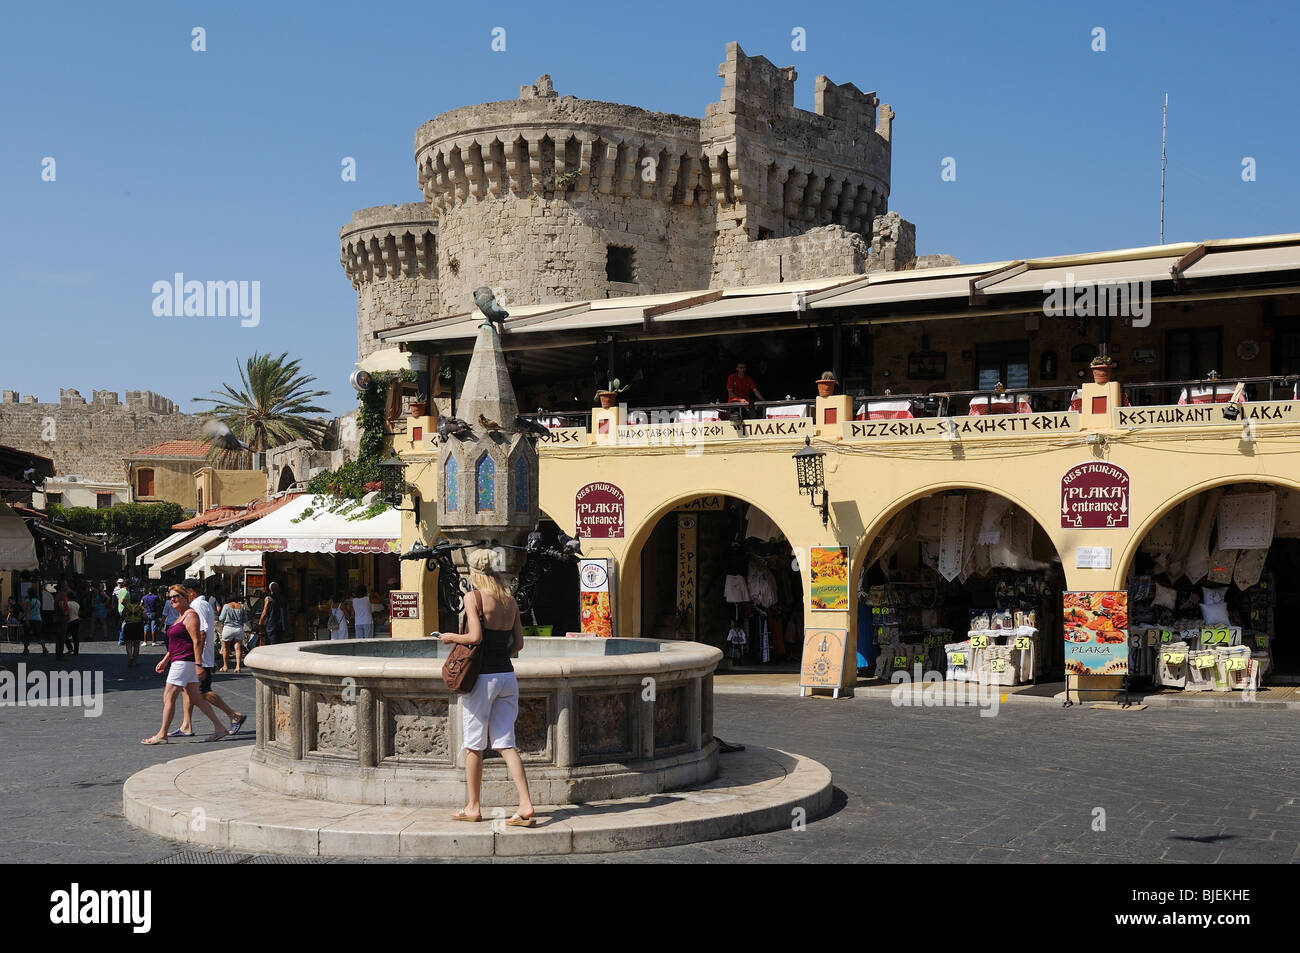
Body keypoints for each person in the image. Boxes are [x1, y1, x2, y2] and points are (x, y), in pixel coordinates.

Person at [440, 549, 535, 827]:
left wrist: (449, 637)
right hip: (507, 676)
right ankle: (526, 804)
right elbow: (518, 644)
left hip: (481, 679)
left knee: (473, 745)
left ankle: (473, 806)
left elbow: (475, 637)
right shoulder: (510, 600)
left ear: (474, 572)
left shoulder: (474, 597)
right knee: (506, 743)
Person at [142, 585, 228, 744]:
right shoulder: (180, 616)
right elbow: (177, 644)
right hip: (180, 660)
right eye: (170, 597)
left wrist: (198, 664)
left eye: (176, 596)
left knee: (168, 696)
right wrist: (165, 659)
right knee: (197, 698)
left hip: (184, 662)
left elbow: (196, 641)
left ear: (185, 597)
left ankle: (162, 734)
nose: (172, 599)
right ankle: (220, 728)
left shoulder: (190, 615)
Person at [174, 580, 246, 737]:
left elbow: (201, 633)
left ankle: (234, 715)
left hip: (200, 657)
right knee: (186, 689)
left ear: (191, 591)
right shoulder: (202, 604)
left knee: (202, 692)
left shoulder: (198, 606)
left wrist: (198, 661)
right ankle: (186, 725)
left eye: (183, 593)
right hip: (198, 656)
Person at [217, 594, 249, 673]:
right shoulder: (242, 606)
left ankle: (225, 666)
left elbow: (221, 618)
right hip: (238, 629)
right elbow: (245, 619)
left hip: (228, 628)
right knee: (238, 648)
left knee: (226, 648)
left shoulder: (226, 606)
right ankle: (238, 666)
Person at [121, 599, 144, 666]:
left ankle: (130, 657)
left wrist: (119, 624)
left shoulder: (126, 607)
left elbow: (122, 616)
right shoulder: (140, 607)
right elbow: (145, 616)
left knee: (128, 643)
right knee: (136, 644)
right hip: (137, 625)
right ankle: (135, 661)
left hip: (128, 625)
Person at [23, 587, 44, 654]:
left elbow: (27, 611)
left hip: (30, 619)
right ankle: (44, 648)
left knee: (26, 635)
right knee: (38, 635)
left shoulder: (28, 601)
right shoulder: (38, 601)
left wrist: (27, 621)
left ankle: (26, 649)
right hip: (38, 619)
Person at [64, 588, 81, 656]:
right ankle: (76, 651)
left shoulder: (67, 604)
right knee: (75, 636)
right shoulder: (77, 604)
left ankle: (70, 647)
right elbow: (79, 613)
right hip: (76, 620)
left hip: (69, 621)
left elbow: (66, 612)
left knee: (65, 635)